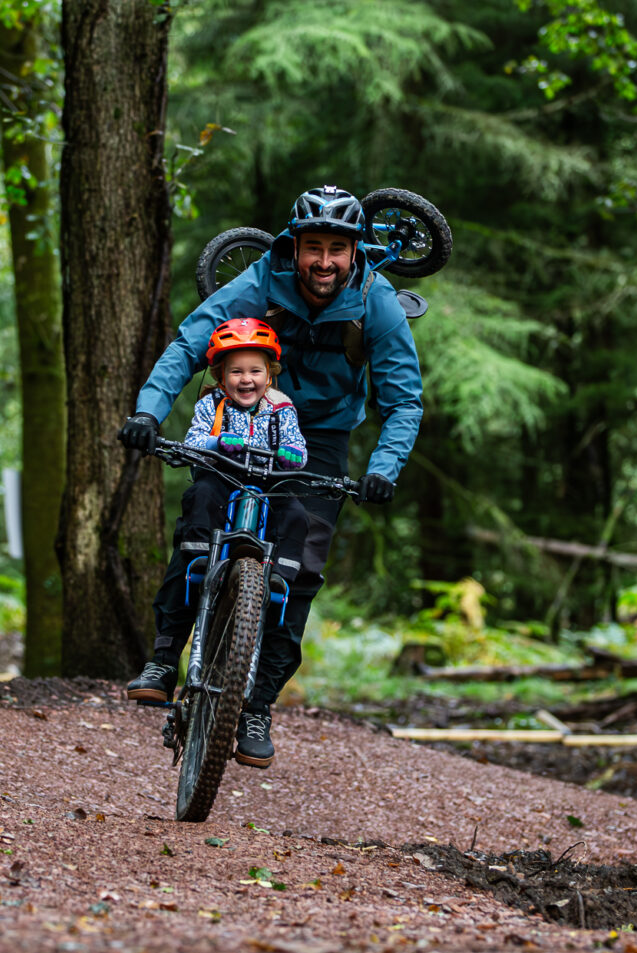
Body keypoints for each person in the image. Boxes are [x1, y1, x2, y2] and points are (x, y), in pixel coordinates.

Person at [118, 185, 422, 768]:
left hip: (322, 442)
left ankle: (255, 705)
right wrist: (147, 413)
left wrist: (383, 469)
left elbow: (403, 400)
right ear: (295, 245)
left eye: (338, 248)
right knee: (199, 528)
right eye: (314, 247)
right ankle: (163, 657)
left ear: (355, 251)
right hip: (242, 423)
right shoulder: (261, 279)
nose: (325, 262)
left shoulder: (375, 300)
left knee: (297, 570)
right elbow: (189, 343)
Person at [124, 318, 310, 761]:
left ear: (271, 374)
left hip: (270, 486)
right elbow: (192, 441)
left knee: (297, 516)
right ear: (221, 376)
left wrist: (290, 455)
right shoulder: (212, 405)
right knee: (201, 495)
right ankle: (165, 655)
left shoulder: (282, 408)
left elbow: (298, 449)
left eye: (255, 371)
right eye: (235, 372)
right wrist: (215, 443)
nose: (246, 380)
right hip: (222, 481)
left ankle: (277, 579)